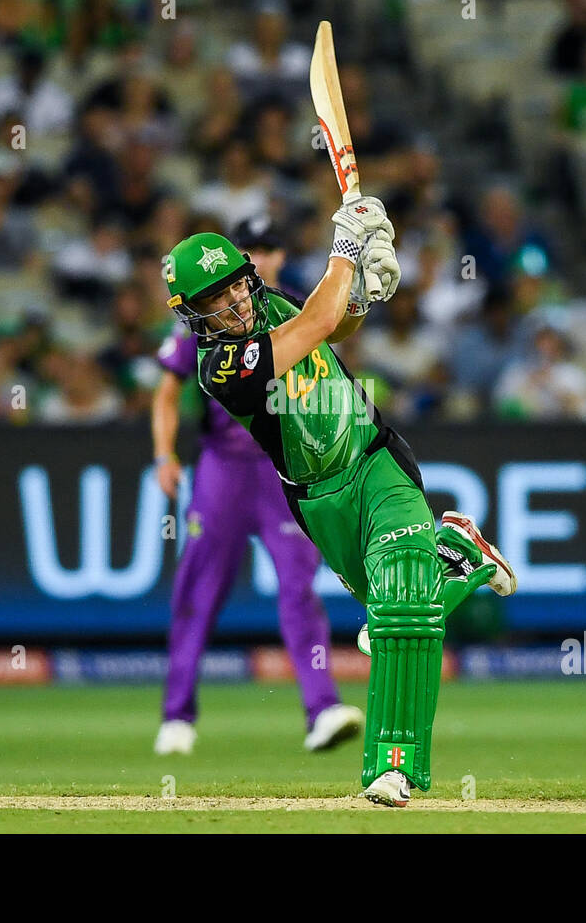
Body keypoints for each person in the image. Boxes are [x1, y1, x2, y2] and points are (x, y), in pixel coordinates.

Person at [162, 197, 516, 807]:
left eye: (234, 287)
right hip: (317, 500)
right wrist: (346, 253)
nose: (234, 303)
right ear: (193, 315)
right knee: (394, 620)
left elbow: (333, 326)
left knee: (401, 604)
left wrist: (361, 296)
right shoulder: (219, 369)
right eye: (213, 300)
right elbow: (312, 329)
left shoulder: (273, 303)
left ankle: (393, 766)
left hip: (374, 458)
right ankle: (460, 551)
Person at [151, 218, 361, 756]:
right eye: (252, 248)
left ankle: (322, 709)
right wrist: (164, 452)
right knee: (198, 591)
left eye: (269, 249)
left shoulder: (286, 305)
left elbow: (329, 330)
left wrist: (358, 289)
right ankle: (177, 716)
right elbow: (166, 395)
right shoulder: (200, 333)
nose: (261, 259)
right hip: (223, 470)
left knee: (298, 590)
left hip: (278, 466)